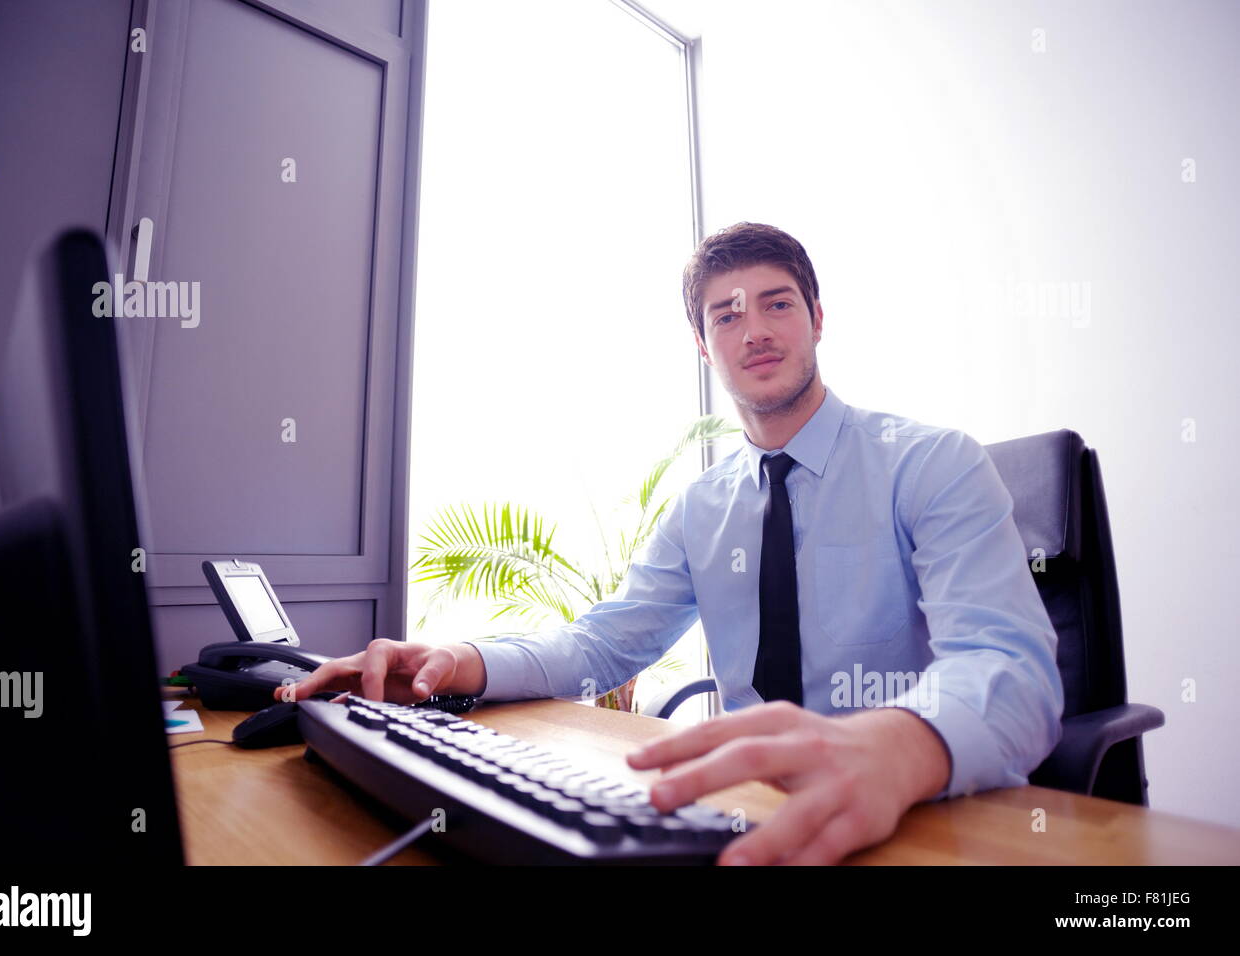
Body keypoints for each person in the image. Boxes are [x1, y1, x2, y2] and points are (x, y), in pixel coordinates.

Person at [277, 222, 1065, 865]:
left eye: (777, 304)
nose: (753, 330)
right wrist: (461, 662)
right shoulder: (704, 506)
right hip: (747, 817)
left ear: (819, 318)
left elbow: (1013, 670)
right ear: (702, 343)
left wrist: (902, 745)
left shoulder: (930, 462)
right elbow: (602, 644)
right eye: (725, 314)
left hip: (920, 817)